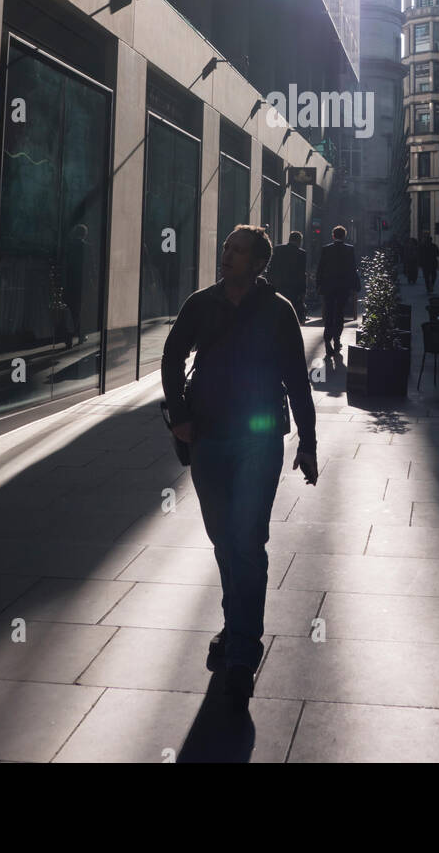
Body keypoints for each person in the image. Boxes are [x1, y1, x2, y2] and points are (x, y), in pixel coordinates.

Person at [161, 225, 318, 708]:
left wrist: (308, 442)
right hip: (207, 435)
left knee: (247, 541)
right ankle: (235, 626)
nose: (226, 255)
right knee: (224, 539)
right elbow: (171, 356)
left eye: (237, 251)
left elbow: (296, 375)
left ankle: (243, 653)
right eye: (226, 248)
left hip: (259, 438)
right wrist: (180, 416)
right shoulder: (201, 303)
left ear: (257, 262)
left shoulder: (278, 310)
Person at [315, 224, 361, 356]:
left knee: (328, 313)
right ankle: (337, 339)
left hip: (329, 286)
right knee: (339, 313)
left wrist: (319, 284)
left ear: (333, 235)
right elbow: (353, 269)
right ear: (344, 236)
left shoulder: (326, 249)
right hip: (343, 287)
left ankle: (327, 339)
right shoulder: (349, 249)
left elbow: (321, 268)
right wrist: (354, 286)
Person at [266, 231, 307, 323]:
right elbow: (301, 274)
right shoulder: (301, 253)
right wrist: (303, 291)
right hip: (293, 287)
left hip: (277, 285)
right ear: (299, 241)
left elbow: (271, 267)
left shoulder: (278, 249)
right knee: (290, 309)